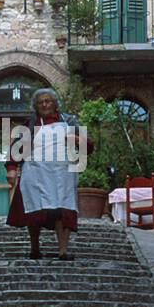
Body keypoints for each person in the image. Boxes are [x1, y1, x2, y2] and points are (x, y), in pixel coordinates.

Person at [6, 88, 94, 260]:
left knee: (64, 210)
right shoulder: (30, 124)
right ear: (36, 106)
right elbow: (16, 148)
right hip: (35, 172)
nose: (45, 104)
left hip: (63, 175)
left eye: (48, 101)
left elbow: (88, 147)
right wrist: (11, 168)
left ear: (55, 104)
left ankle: (63, 251)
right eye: (40, 102)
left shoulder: (69, 121)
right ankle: (35, 248)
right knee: (35, 209)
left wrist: (77, 140)